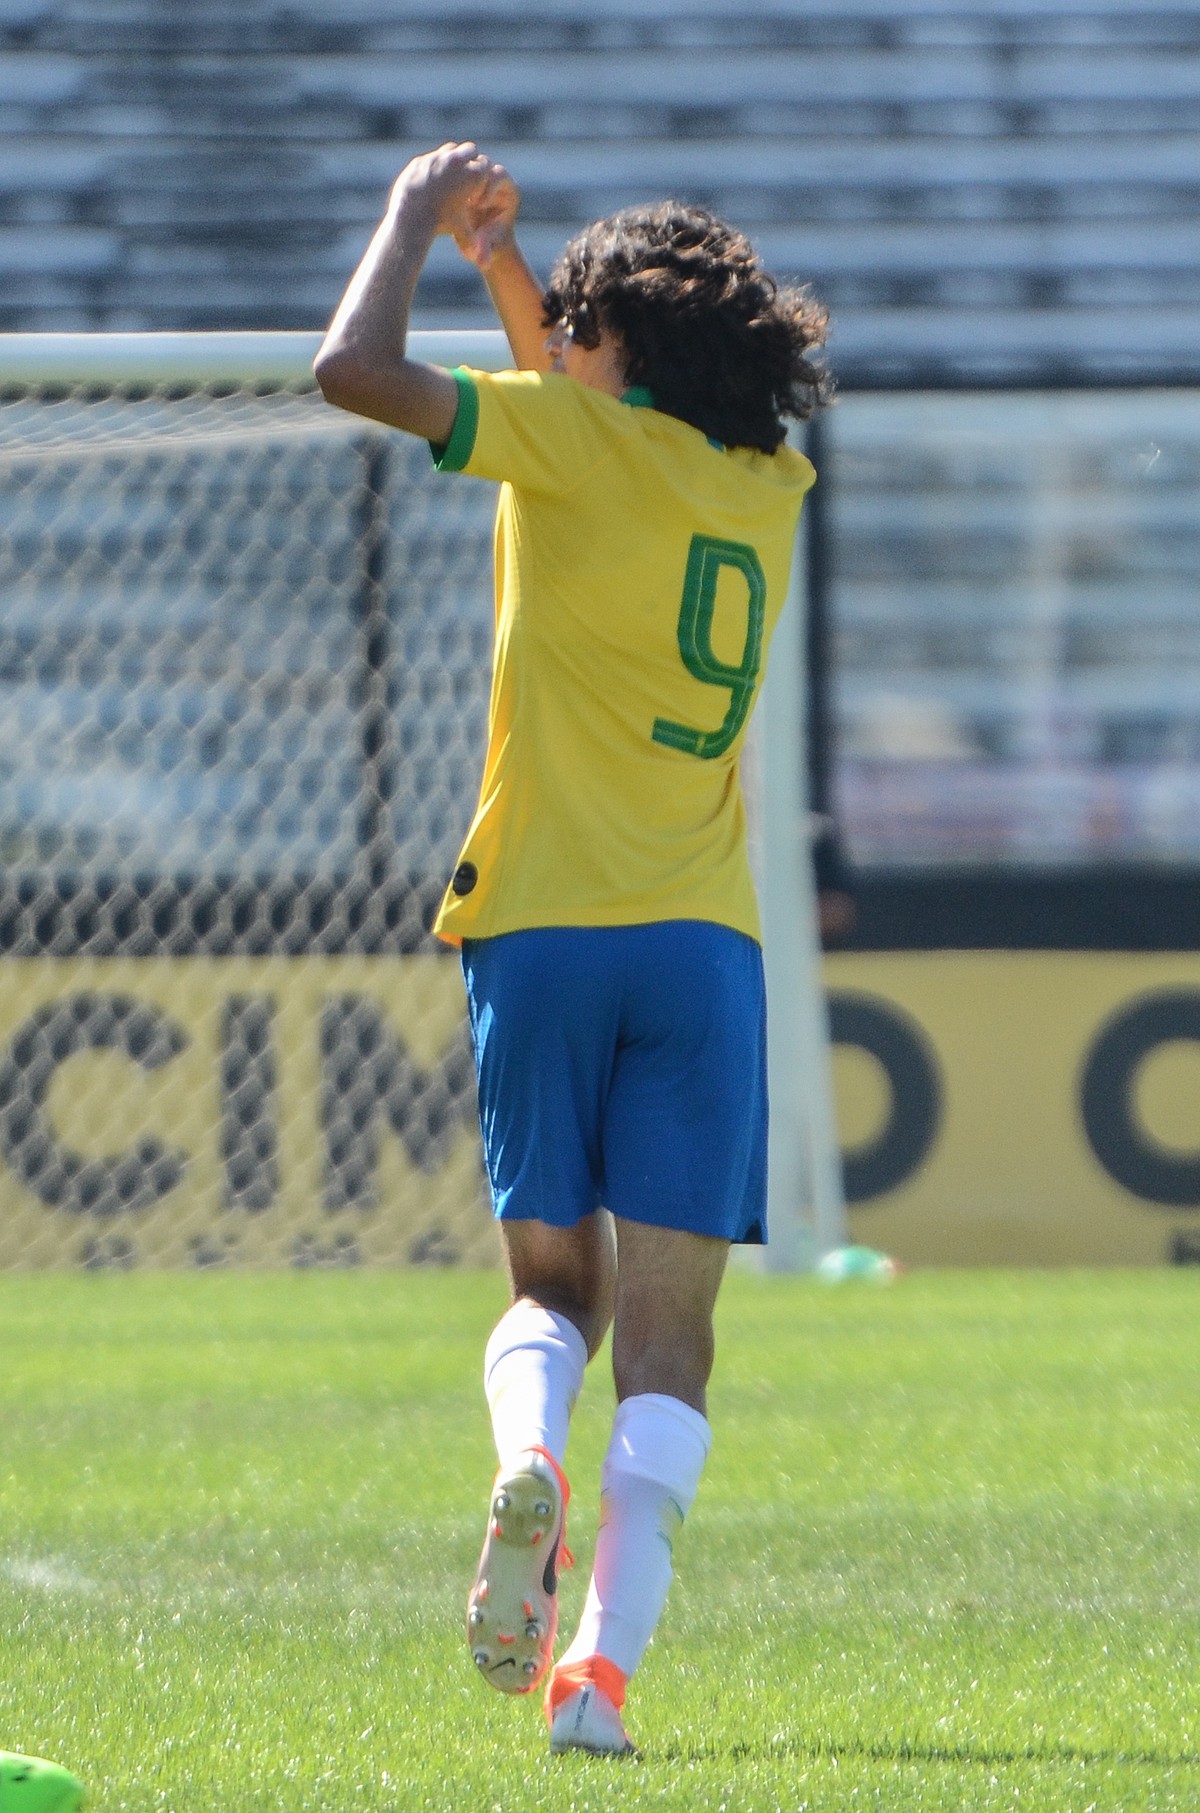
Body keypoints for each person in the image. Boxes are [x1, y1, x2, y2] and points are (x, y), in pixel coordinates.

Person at [314, 141, 831, 1757]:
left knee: (556, 1285)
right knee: (675, 1335)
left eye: (571, 334)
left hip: (538, 921)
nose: (552, 353)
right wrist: (514, 273)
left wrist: (413, 217)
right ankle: (597, 1673)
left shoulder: (557, 447)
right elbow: (590, 376)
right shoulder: (768, 487)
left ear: (608, 358)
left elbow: (353, 370)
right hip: (699, 948)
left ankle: (524, 1449)